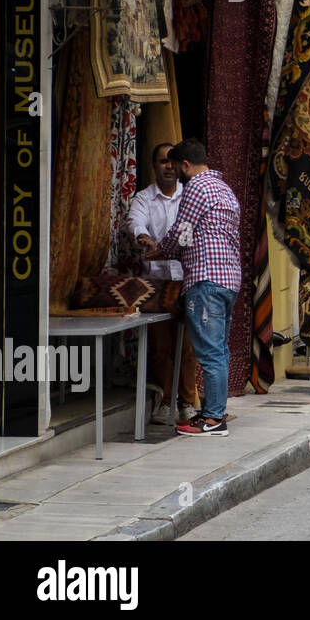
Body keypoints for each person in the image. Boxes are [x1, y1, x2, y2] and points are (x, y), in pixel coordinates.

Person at [146, 139, 242, 437]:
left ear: (186, 165)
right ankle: (215, 410)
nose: (175, 175)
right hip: (228, 279)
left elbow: (182, 234)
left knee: (210, 351)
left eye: (176, 168)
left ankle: (213, 419)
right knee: (219, 350)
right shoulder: (224, 189)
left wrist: (159, 250)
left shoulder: (197, 189)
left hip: (206, 280)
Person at [127, 141, 199, 425]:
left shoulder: (191, 196)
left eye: (172, 161)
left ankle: (187, 403)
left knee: (190, 346)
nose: (168, 166)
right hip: (155, 283)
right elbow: (135, 222)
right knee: (160, 347)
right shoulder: (145, 198)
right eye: (162, 161)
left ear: (181, 165)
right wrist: (143, 237)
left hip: (186, 280)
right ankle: (165, 401)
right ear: (154, 166)